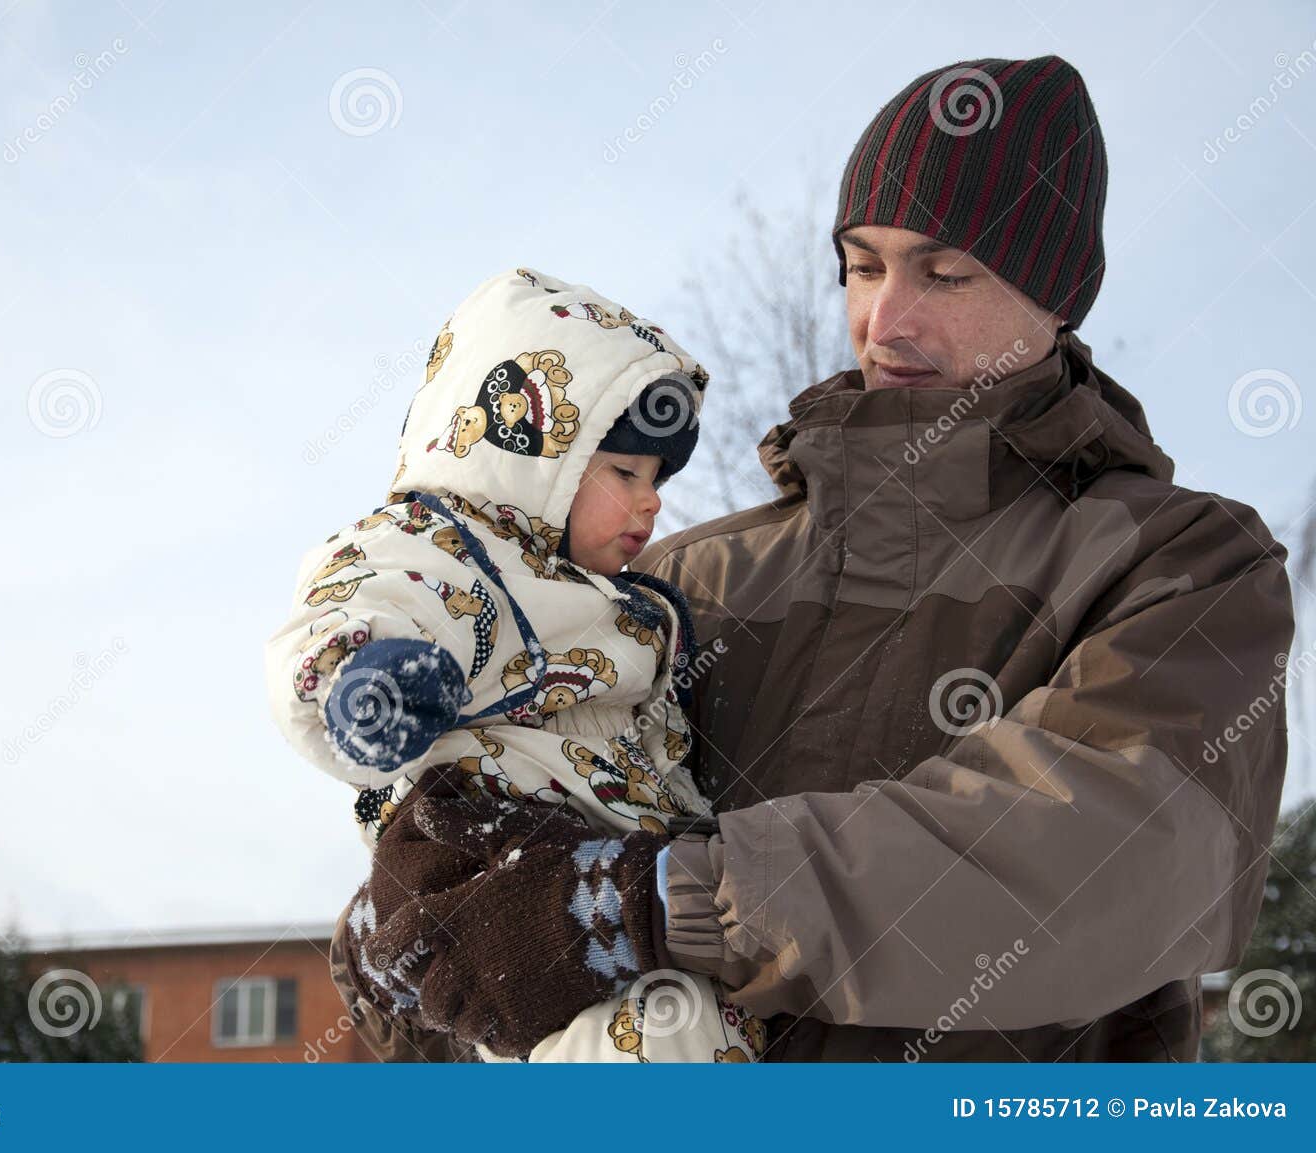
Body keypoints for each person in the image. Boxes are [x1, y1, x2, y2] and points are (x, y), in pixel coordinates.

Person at [334, 56, 1295, 1062]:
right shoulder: (684, 582)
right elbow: (518, 838)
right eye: (864, 265)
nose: (886, 322)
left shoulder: (1177, 561)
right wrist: (406, 960)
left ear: (1056, 298)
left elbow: (1114, 846)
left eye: (947, 272)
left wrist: (672, 900)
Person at [267, 267, 767, 1061]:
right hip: (484, 846)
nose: (653, 503)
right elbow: (354, 601)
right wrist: (367, 680)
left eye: (660, 479)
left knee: (695, 1028)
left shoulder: (629, 607)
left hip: (614, 867)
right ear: (538, 457)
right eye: (626, 472)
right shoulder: (443, 547)